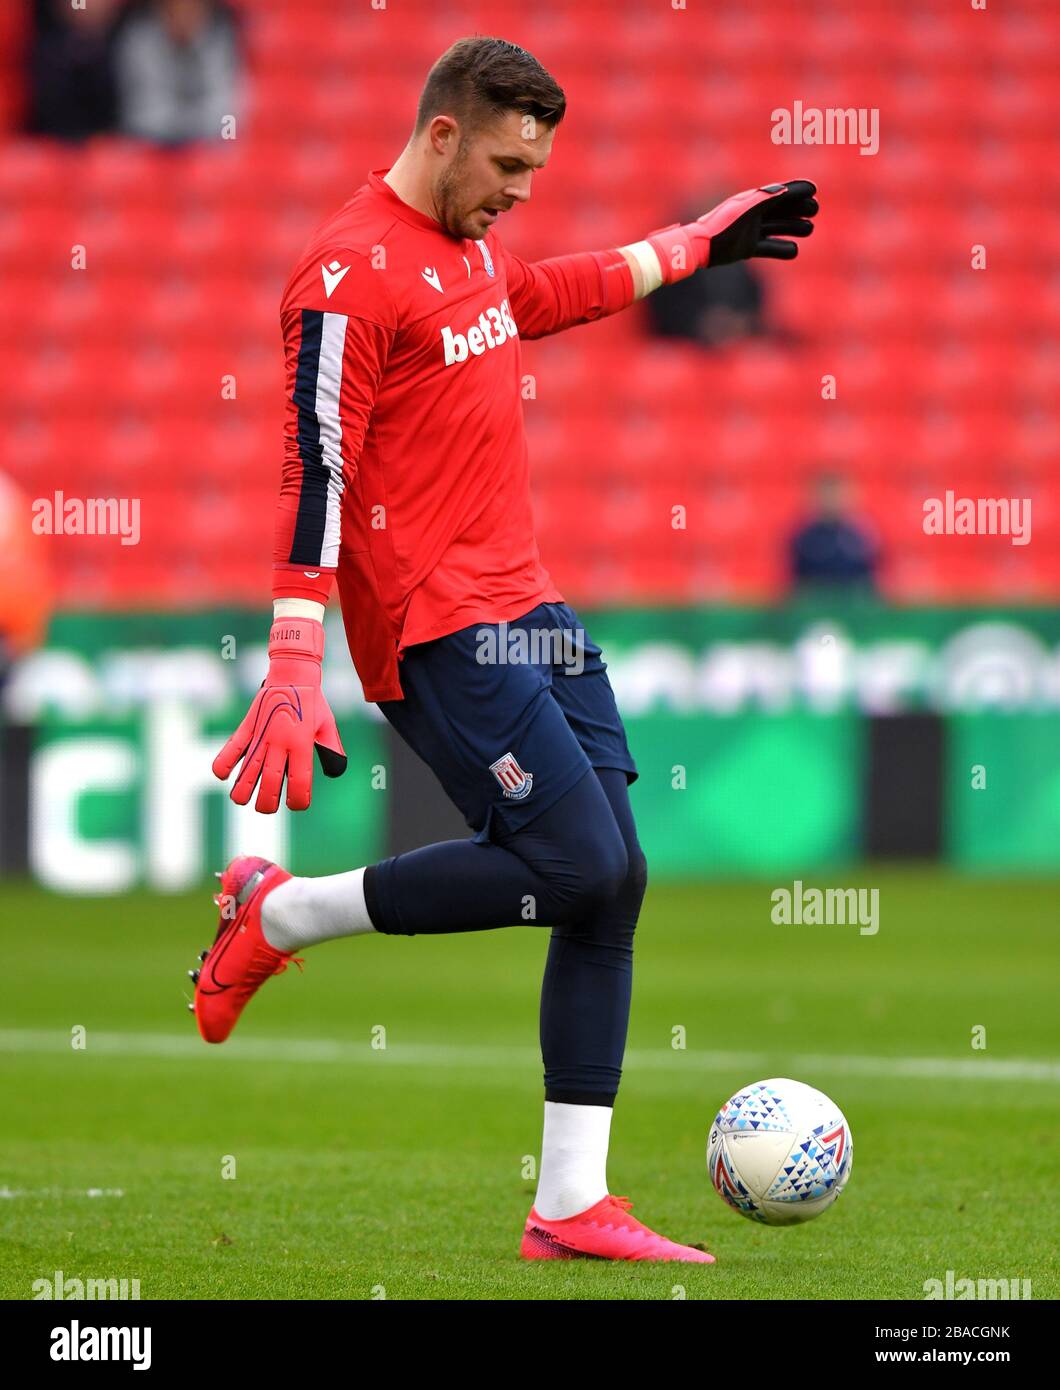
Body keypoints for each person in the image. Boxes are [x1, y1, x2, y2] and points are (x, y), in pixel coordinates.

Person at [194, 36, 818, 1263]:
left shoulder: (467, 242)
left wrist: (692, 244)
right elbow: (314, 466)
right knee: (578, 865)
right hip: (437, 625)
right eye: (504, 163)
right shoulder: (342, 275)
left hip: (532, 610)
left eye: (534, 168)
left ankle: (569, 1203)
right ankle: (282, 918)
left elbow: (537, 298)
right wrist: (290, 656)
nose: (519, 189)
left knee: (615, 876)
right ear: (439, 133)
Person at [789, 473, 879, 593]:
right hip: (816, 601)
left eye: (836, 494)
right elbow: (796, 580)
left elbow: (870, 576)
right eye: (826, 494)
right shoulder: (803, 536)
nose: (831, 500)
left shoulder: (862, 534)